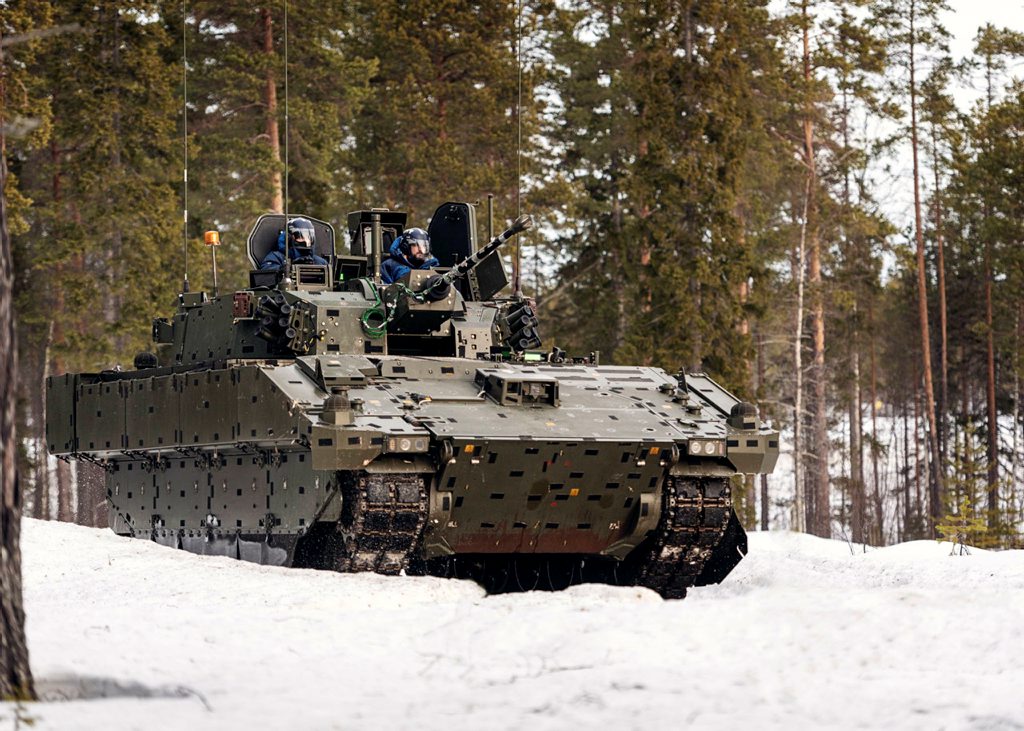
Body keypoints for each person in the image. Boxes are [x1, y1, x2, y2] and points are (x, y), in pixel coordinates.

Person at [260, 217, 327, 271]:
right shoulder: (277, 257)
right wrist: (285, 269)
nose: (306, 241)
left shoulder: (320, 262)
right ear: (288, 238)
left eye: (308, 237)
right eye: (300, 237)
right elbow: (265, 273)